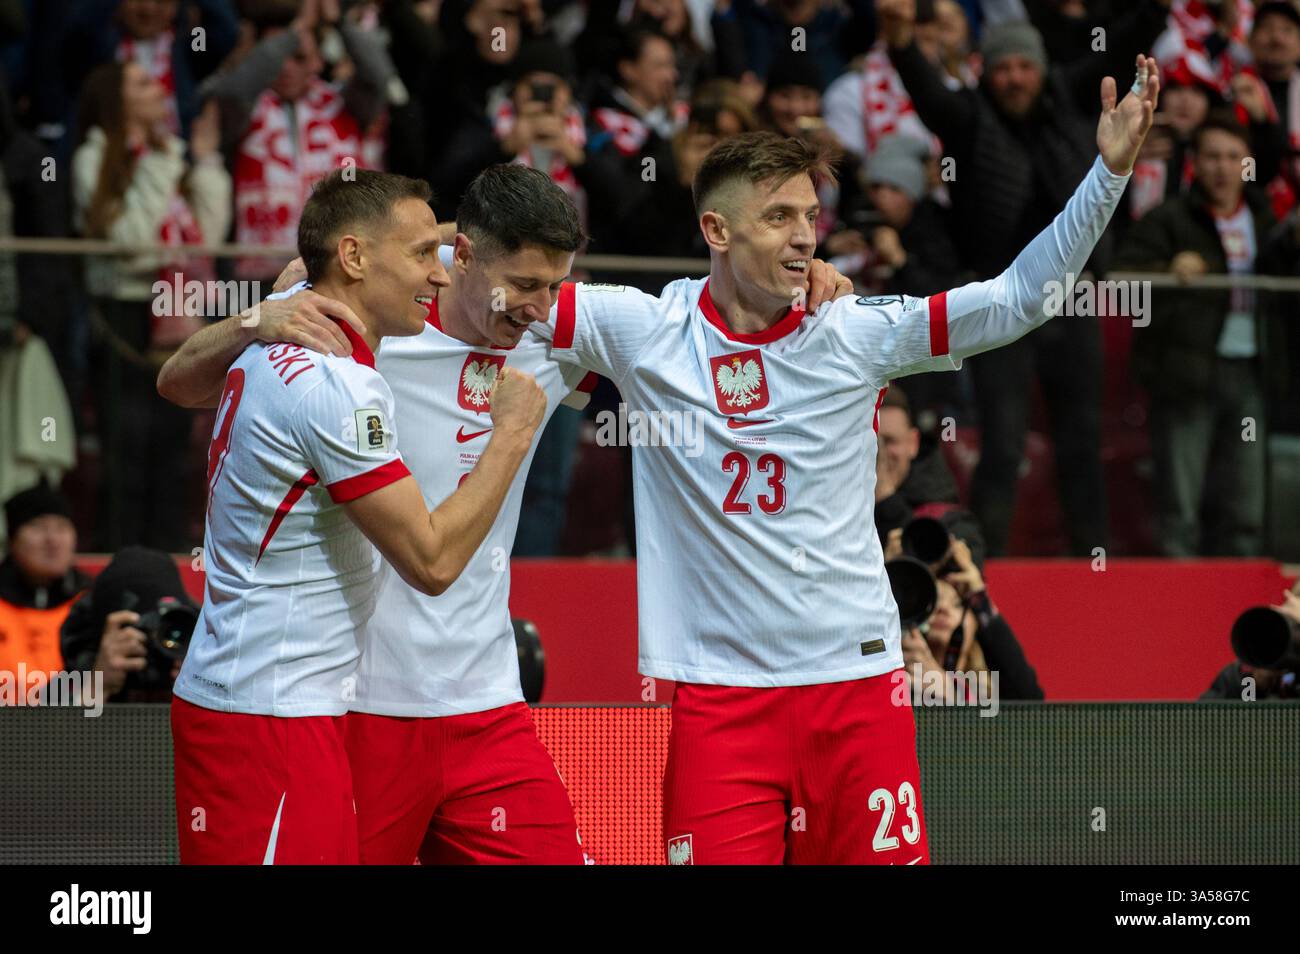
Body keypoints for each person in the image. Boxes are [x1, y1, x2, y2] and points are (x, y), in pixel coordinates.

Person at [523, 58, 1158, 863]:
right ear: (717, 231)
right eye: (779, 215)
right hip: (719, 703)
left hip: (858, 688)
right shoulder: (645, 331)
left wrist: (1108, 172)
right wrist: (319, 284)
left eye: (811, 216)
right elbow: (502, 288)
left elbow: (1015, 300)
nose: (802, 235)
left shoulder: (856, 332)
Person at [160, 163, 850, 863]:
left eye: (554, 286)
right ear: (460, 261)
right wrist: (253, 321)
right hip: (362, 707)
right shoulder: (365, 324)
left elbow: (711, 327)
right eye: (522, 286)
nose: (539, 307)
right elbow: (179, 383)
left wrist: (800, 297)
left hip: (487, 706)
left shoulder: (554, 337)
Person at [158, 168, 548, 865]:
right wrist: (512, 437)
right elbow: (431, 562)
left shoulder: (285, 327)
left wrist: (253, 317)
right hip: (268, 715)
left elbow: (176, 382)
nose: (441, 275)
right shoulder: (339, 384)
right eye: (424, 254)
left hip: (274, 704)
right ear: (355, 257)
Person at [883, 0, 1170, 556]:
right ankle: (985, 567)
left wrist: (1154, 12)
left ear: (1041, 69)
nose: (1014, 78)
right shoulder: (968, 119)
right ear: (985, 72)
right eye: (1002, 68)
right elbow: (928, 94)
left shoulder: (1067, 99)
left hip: (1076, 302)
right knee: (1004, 442)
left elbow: (1116, 41)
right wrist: (900, 45)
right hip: (998, 305)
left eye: (1024, 66)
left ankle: (1093, 560)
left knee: (1081, 440)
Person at [1115, 112, 1296, 556]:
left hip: (1253, 371)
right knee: (1180, 501)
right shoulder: (1170, 218)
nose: (1222, 167)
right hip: (1185, 375)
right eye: (1212, 156)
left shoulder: (1264, 220)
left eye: (1233, 156)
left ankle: (1245, 604)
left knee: (1247, 503)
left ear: (1247, 164)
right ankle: (1177, 603)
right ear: (1194, 162)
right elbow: (1119, 279)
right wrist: (1168, 270)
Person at [72, 59, 230, 551]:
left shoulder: (169, 155)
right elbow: (134, 241)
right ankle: (119, 555)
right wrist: (164, 164)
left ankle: (168, 560)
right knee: (127, 445)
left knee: (171, 441)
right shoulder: (91, 158)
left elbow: (209, 235)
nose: (157, 87)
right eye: (141, 83)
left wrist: (204, 163)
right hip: (124, 311)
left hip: (177, 307)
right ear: (115, 100)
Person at [895, 538, 1043, 701]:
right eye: (935, 602)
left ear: (976, 624)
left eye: (957, 604)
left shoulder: (987, 690)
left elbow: (1030, 703)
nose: (943, 609)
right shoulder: (897, 680)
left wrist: (980, 597)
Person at [0, 482, 90, 695]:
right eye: (38, 527)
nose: (52, 540)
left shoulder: (91, 602)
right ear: (12, 540)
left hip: (73, 724)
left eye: (62, 527)